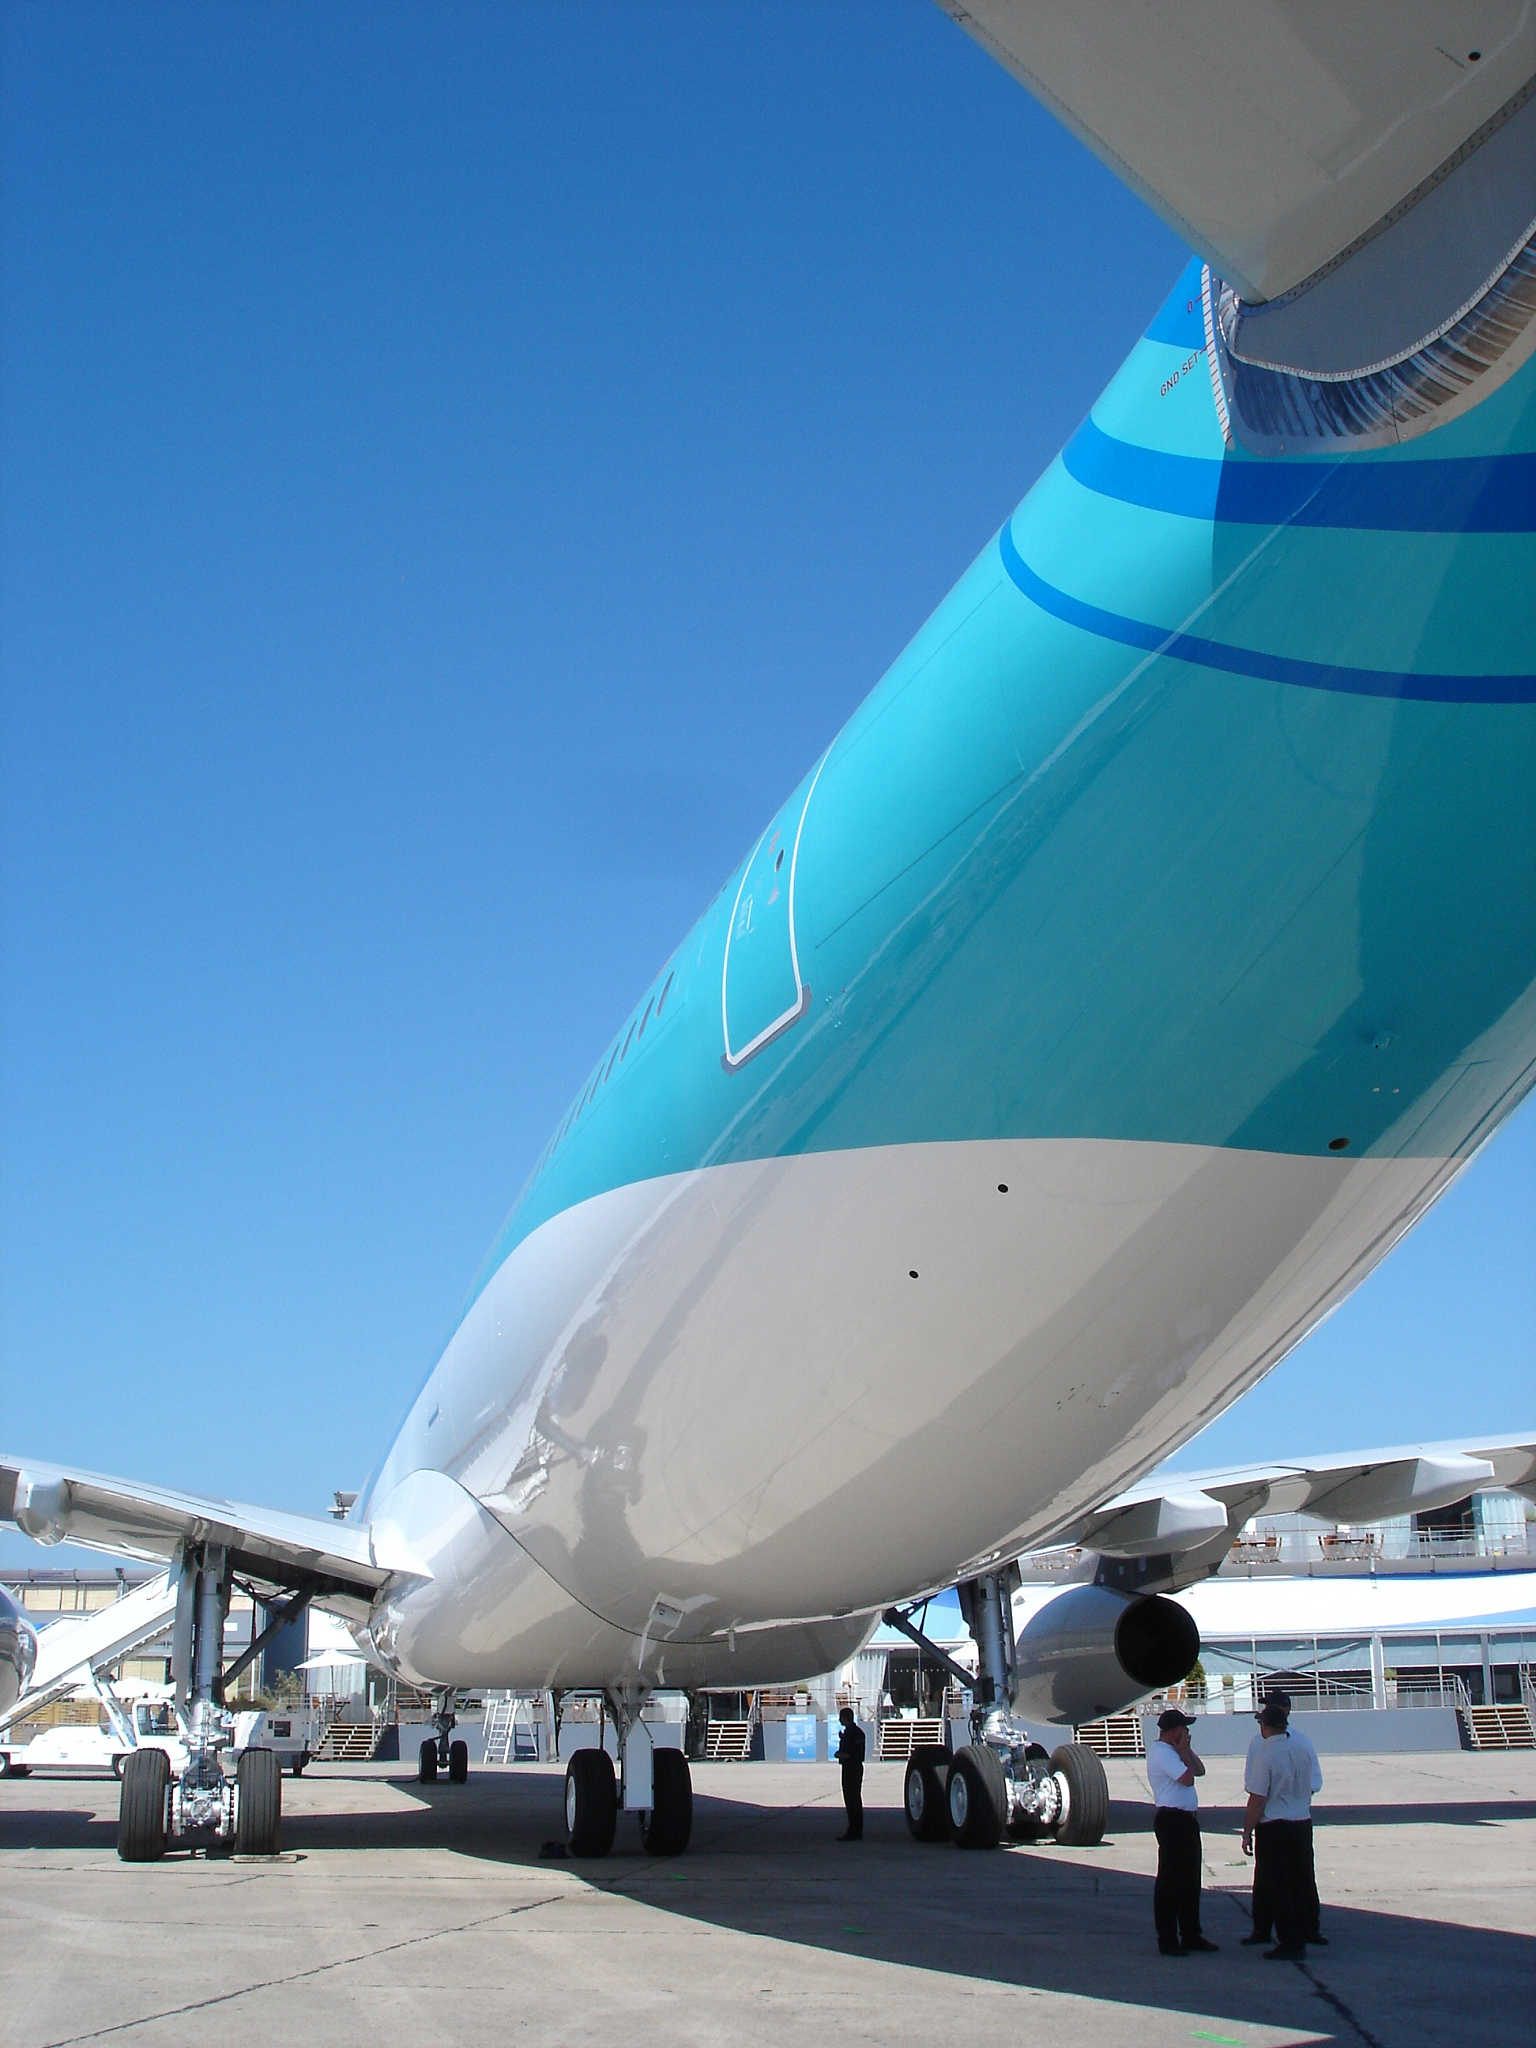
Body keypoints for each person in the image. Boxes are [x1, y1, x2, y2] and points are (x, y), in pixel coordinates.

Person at [1243, 1691, 1325, 1947]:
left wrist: (1247, 1831)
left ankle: (1292, 1938)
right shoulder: (1300, 1746)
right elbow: (1313, 1782)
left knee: (1278, 1883)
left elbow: (1257, 1796)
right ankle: (1292, 1931)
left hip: (1274, 1823)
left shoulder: (1266, 1752)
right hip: (1300, 1821)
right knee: (1298, 1880)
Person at [1147, 1708, 1218, 1955]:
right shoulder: (1162, 1753)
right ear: (1174, 1731)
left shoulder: (1175, 1752)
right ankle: (1167, 1938)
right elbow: (1188, 1779)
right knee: (1171, 1881)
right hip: (1173, 1820)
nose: (1187, 1732)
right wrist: (1183, 1752)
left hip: (1186, 1820)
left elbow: (1199, 1770)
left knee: (1190, 1880)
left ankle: (1191, 1933)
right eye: (1184, 1729)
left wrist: (1186, 1750)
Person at [835, 1705, 865, 1840]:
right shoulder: (859, 1732)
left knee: (850, 1800)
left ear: (844, 1718)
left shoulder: (849, 1734)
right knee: (856, 1799)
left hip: (849, 1768)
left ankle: (853, 1830)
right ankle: (857, 1828)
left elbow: (846, 1753)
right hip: (858, 1767)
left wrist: (838, 1754)